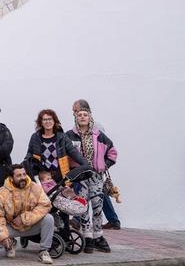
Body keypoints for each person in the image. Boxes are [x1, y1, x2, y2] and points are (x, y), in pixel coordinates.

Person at [66, 100, 118, 254]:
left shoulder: (99, 135)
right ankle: (87, 236)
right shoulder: (69, 135)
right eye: (79, 115)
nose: (82, 117)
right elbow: (64, 154)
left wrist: (104, 165)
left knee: (97, 206)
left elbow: (113, 152)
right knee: (83, 207)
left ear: (90, 117)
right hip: (80, 178)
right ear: (76, 117)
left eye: (85, 115)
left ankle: (98, 236)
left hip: (96, 177)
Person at [0, 164, 55, 264]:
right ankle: (10, 243)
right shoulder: (2, 192)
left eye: (24, 174)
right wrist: (4, 236)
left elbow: (45, 205)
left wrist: (24, 218)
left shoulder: (34, 187)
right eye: (19, 175)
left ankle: (44, 251)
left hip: (31, 225)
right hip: (12, 227)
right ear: (11, 178)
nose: (23, 177)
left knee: (48, 218)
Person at [25, 109, 84, 181]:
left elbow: (73, 152)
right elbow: (29, 154)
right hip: (43, 177)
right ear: (41, 122)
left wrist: (86, 165)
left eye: (50, 119)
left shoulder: (62, 137)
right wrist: (23, 167)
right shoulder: (35, 137)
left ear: (54, 121)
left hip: (60, 176)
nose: (47, 122)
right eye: (44, 120)